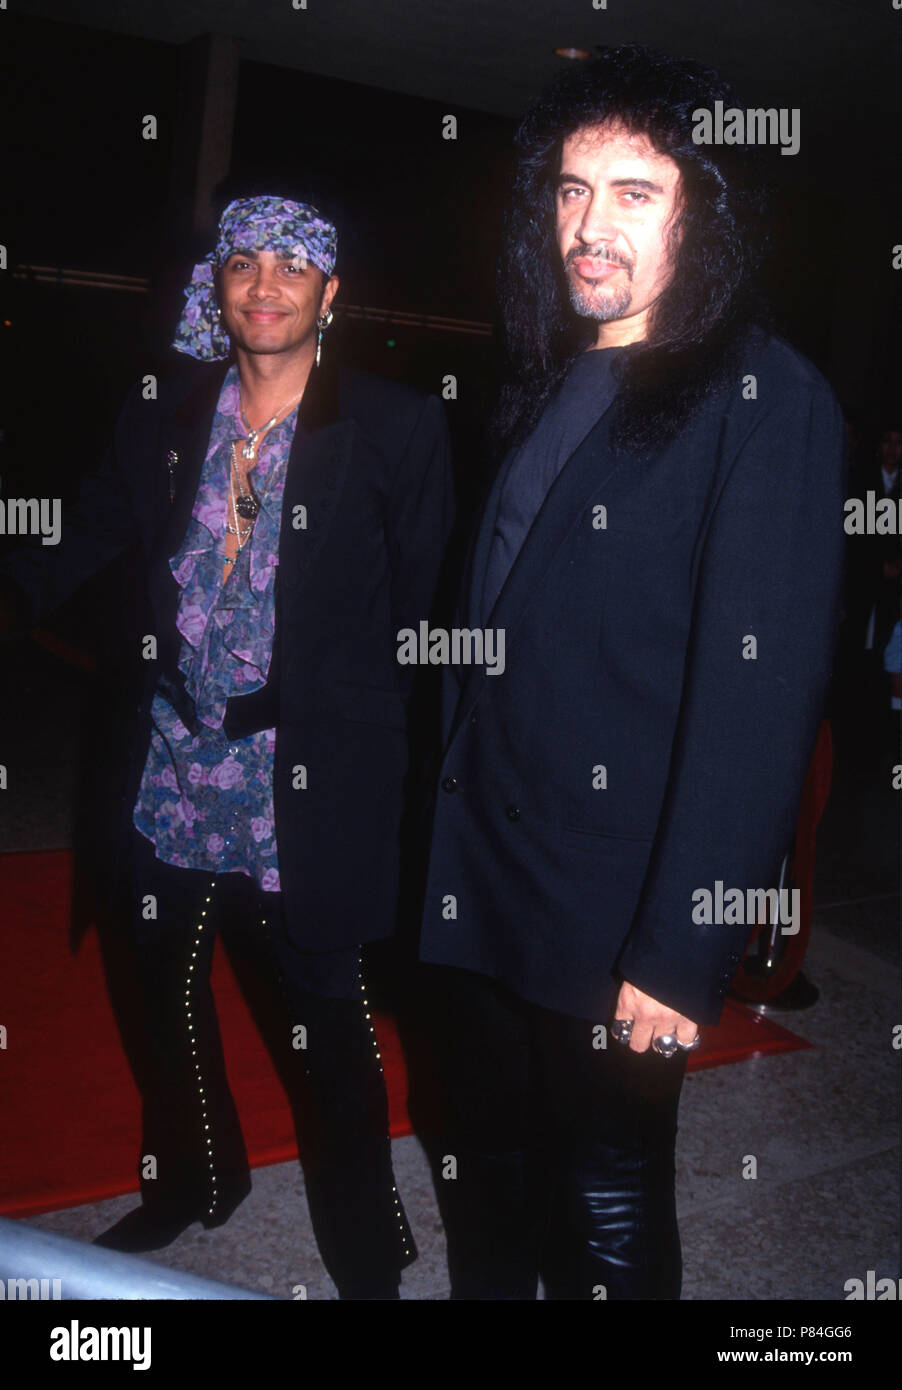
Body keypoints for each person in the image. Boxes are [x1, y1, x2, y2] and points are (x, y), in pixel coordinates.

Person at [416, 44, 846, 1299]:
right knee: (483, 1160)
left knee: (604, 1193)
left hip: (617, 895)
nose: (587, 227)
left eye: (633, 192)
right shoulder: (554, 373)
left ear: (702, 213)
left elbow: (755, 701)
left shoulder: (766, 397)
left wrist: (677, 944)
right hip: (484, 867)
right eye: (567, 190)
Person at [0, 190, 453, 1299]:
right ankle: (194, 1180)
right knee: (156, 991)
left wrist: (408, 796)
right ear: (218, 285)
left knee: (326, 1040)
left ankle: (365, 1260)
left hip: (297, 787)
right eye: (241, 262)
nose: (262, 283)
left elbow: (425, 616)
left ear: (328, 293)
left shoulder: (392, 427)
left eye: (289, 267)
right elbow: (84, 527)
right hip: (164, 764)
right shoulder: (166, 409)